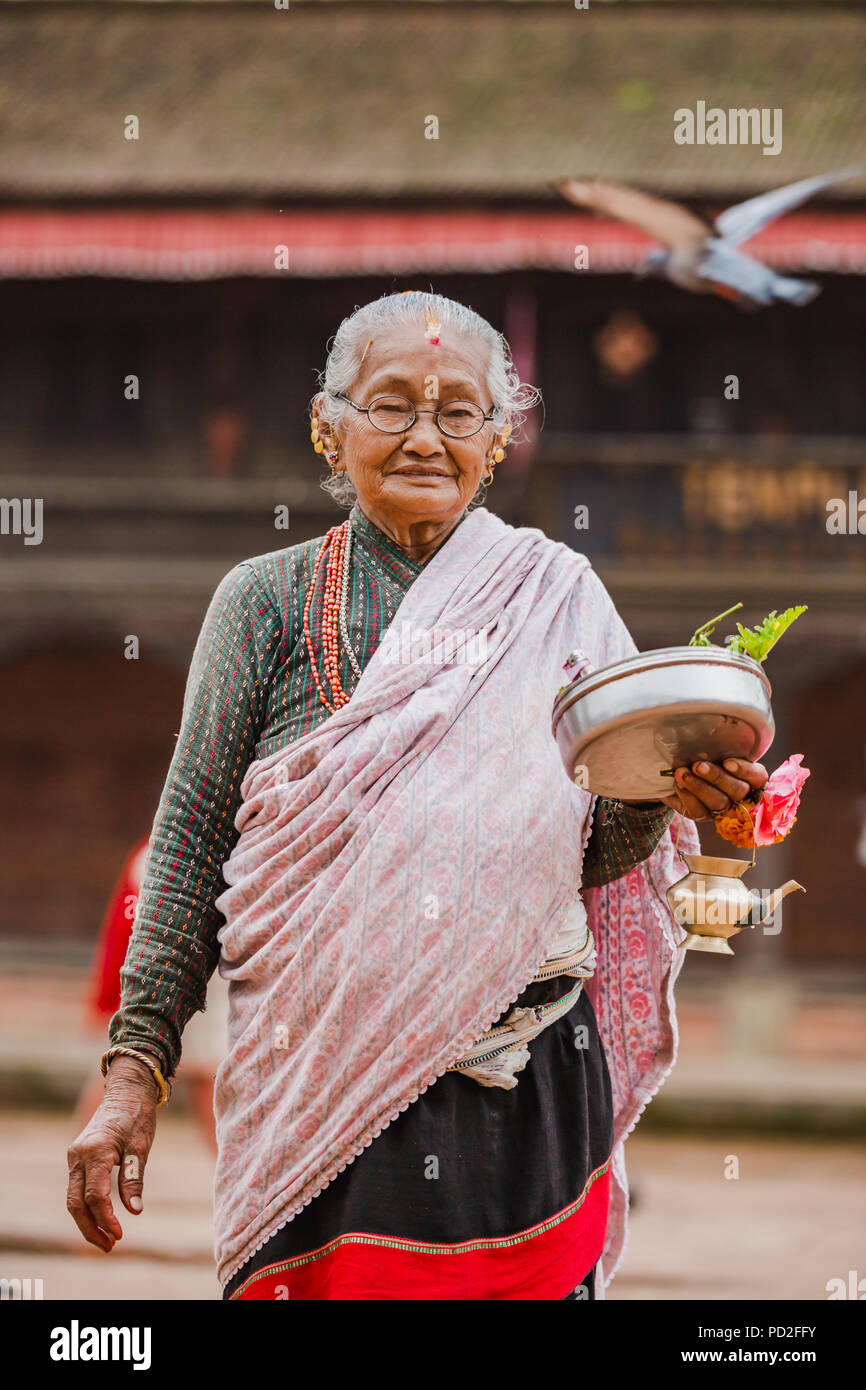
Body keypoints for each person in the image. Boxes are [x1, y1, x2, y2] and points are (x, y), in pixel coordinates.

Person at [66, 291, 768, 1300]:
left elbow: (590, 850)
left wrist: (662, 790)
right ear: (328, 424)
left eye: (458, 413)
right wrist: (132, 1076)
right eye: (391, 406)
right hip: (324, 1095)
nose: (424, 438)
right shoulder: (261, 602)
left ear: (499, 437)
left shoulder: (556, 596)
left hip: (531, 1092)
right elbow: (186, 849)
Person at [75, 836, 228, 1153]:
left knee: (205, 1077)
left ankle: (231, 1169)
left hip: (206, 986)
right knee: (129, 1069)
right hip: (162, 984)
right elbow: (123, 930)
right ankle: (92, 1149)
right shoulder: (152, 855)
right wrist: (106, 997)